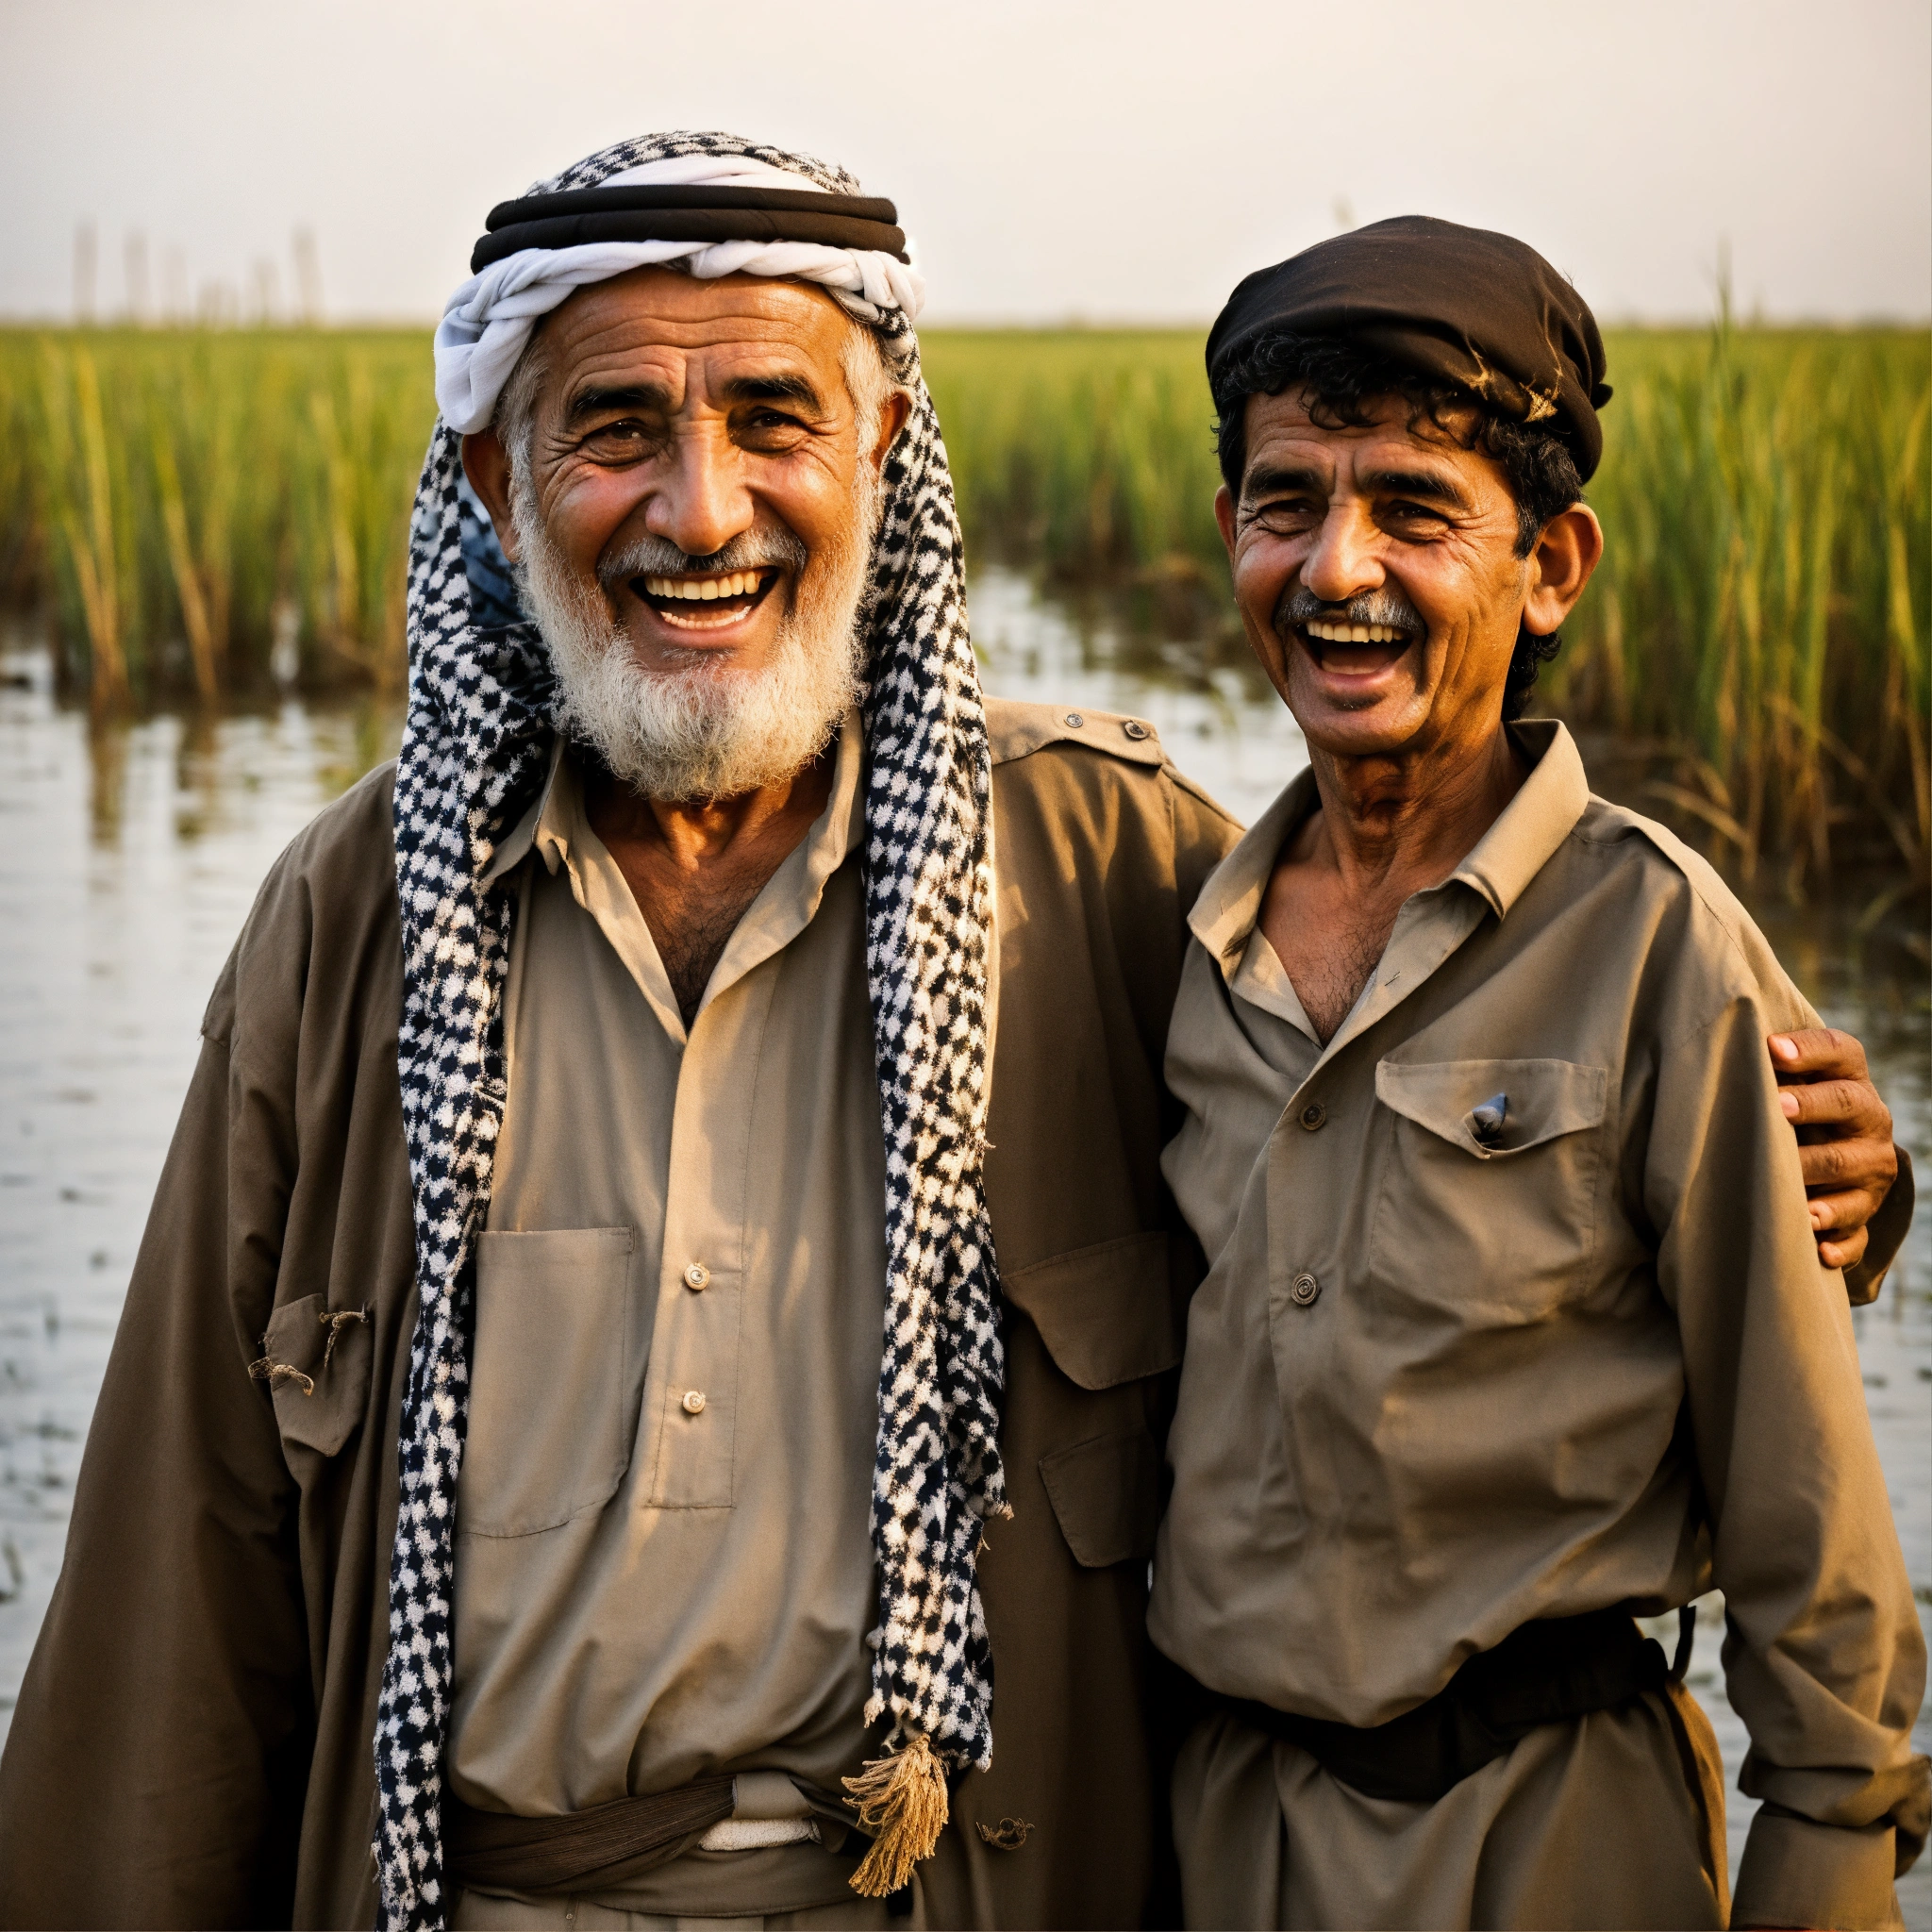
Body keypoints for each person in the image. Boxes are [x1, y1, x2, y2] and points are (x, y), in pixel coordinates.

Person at [0, 146, 1905, 1932]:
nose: (700, 509)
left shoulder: (1093, 874)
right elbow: (184, 1574)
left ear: (883, 452)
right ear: (499, 489)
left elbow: (1438, 1083)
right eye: (611, 431)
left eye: (773, 420)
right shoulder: (354, 928)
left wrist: (1814, 1174)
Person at [1148, 216, 1928, 1932]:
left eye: (1415, 511)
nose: (1337, 567)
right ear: (1232, 535)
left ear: (1552, 565)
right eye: (1289, 501)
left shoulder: (1656, 942)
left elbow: (1807, 1478)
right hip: (1222, 1831)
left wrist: (1834, 1842)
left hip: (1547, 1833)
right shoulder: (1186, 947)